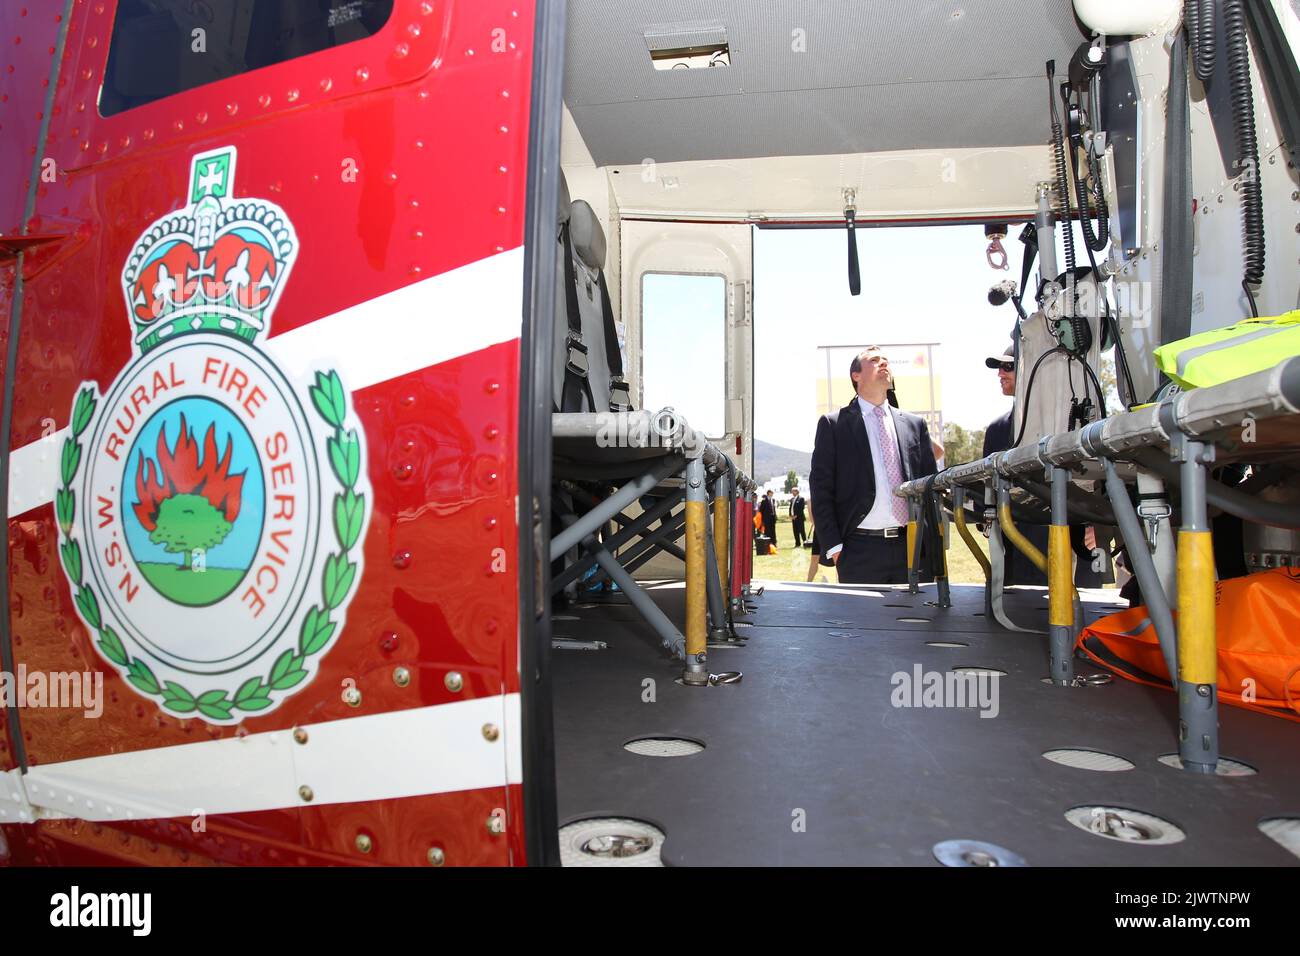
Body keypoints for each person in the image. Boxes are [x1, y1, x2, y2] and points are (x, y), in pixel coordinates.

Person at [810, 346, 939, 585]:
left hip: (911, 546)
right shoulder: (834, 424)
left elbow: (930, 485)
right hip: (859, 550)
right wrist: (835, 547)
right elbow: (820, 490)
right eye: (874, 360)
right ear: (855, 376)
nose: (884, 364)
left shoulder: (914, 424)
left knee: (916, 622)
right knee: (865, 622)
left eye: (886, 361)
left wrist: (932, 543)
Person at [982, 349, 1104, 587]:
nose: (1000, 374)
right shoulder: (996, 429)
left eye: (1008, 367)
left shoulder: (1077, 417)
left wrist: (1098, 527)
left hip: (1076, 544)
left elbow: (1100, 477)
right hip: (1020, 551)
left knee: (1081, 614)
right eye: (999, 368)